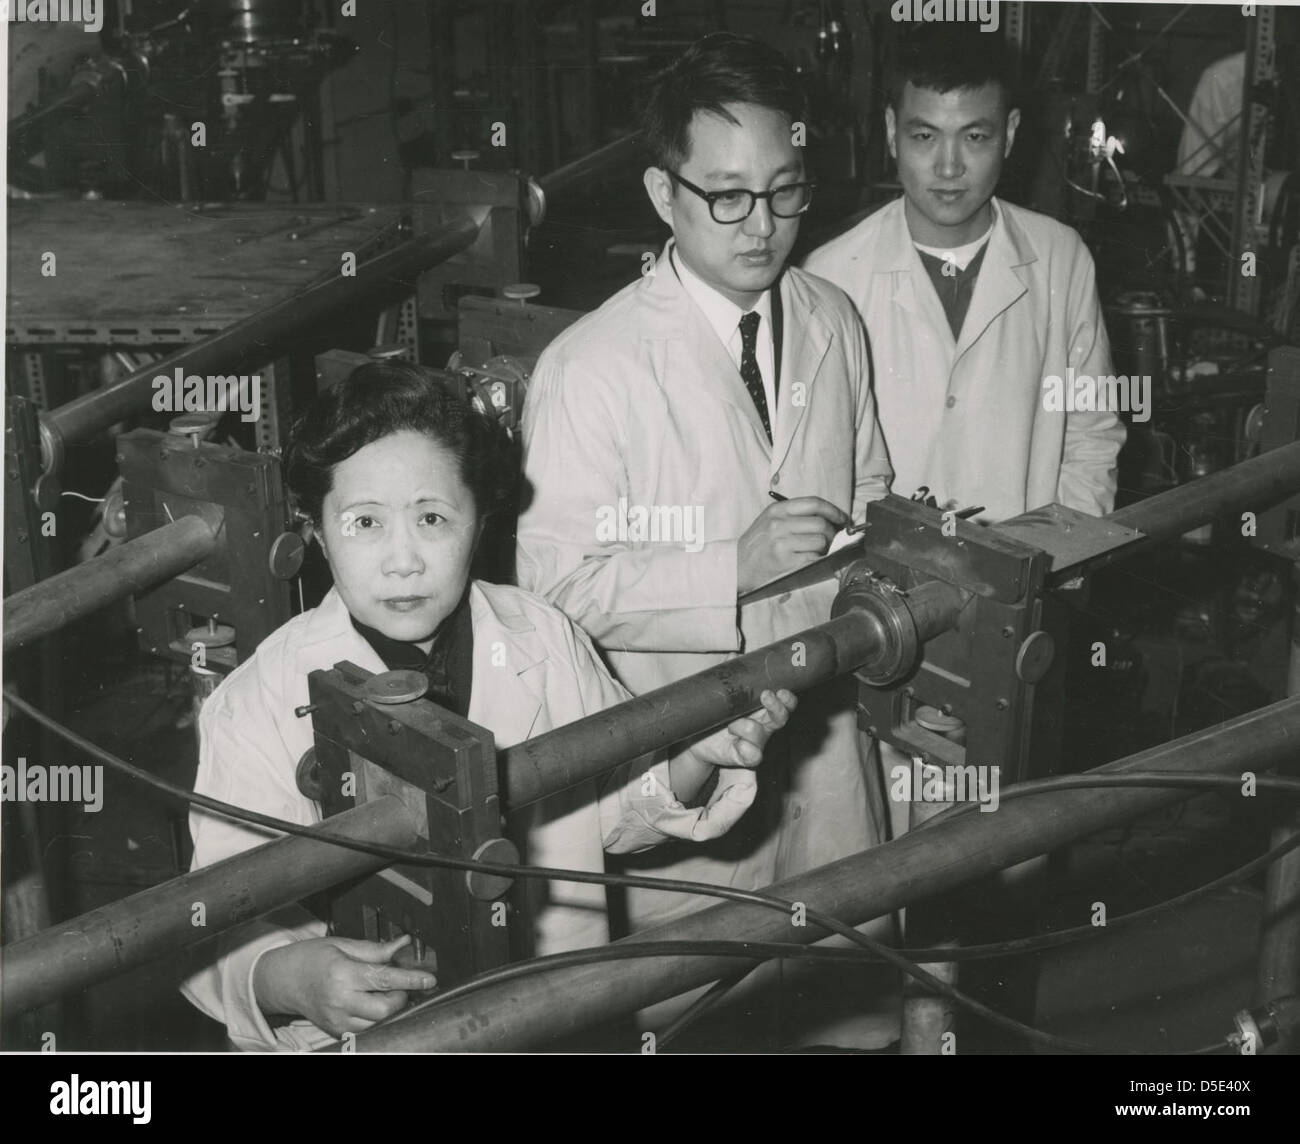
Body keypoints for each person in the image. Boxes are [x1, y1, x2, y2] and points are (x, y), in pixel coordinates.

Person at [180, 362, 796, 1051]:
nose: (403, 559)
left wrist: (689, 758)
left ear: (480, 522)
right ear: (318, 534)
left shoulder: (543, 637)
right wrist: (291, 977)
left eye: (433, 518)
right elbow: (215, 913)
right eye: (364, 523)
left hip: (551, 1017)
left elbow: (619, 812)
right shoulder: (259, 699)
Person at [516, 32, 896, 1047]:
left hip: (825, 757)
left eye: (783, 190)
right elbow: (555, 597)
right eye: (726, 195)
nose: (760, 224)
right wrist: (730, 566)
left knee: (846, 1020)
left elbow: (868, 491)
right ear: (660, 192)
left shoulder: (833, 318)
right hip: (678, 787)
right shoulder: (588, 368)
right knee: (699, 1025)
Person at [805, 26, 1125, 523]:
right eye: (924, 136)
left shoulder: (1062, 258)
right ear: (892, 131)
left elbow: (1092, 434)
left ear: (1011, 132)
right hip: (880, 583)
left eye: (975, 137)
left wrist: (1052, 566)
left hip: (1025, 575)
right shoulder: (829, 274)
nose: (948, 166)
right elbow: (819, 462)